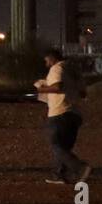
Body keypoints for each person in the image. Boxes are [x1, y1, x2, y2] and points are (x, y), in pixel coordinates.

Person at [35, 48, 90, 185]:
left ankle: (80, 167)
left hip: (60, 111)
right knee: (65, 146)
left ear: (52, 58)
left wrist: (42, 89)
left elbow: (57, 87)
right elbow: (83, 93)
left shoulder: (57, 68)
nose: (46, 64)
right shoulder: (74, 70)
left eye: (47, 60)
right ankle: (58, 174)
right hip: (75, 113)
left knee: (56, 144)